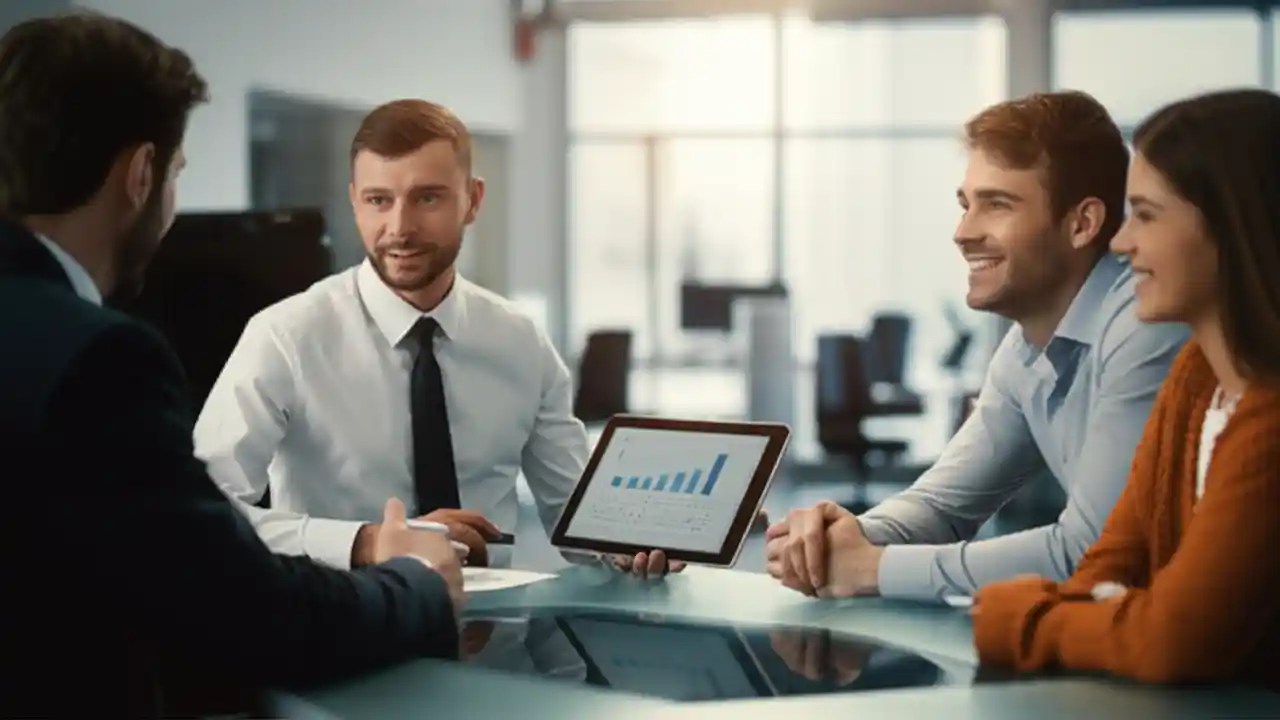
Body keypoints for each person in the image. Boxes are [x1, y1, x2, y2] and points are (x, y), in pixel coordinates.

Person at [0, 13, 468, 717]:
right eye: (176, 174)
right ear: (141, 174)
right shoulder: (97, 360)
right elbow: (246, 611)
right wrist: (417, 586)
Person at [194, 99, 679, 577]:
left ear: (473, 200)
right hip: (343, 617)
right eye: (378, 200)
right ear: (355, 202)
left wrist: (634, 547)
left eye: (427, 198)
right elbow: (203, 514)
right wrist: (368, 542)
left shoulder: (521, 341)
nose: (400, 228)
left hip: (497, 621)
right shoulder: (286, 336)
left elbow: (580, 520)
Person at [765, 91, 1189, 601]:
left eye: (997, 205)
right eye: (966, 205)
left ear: (1082, 224)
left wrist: (875, 567)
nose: (963, 233)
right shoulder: (1024, 351)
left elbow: (1092, 553)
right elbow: (942, 506)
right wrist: (841, 540)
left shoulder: (1145, 321)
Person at [973, 88, 1280, 687]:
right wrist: (1110, 617)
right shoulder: (1194, 381)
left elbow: (1171, 639)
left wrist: (1022, 617)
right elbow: (1109, 567)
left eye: (1145, 215)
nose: (1120, 242)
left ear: (1231, 225)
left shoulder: (1269, 419)